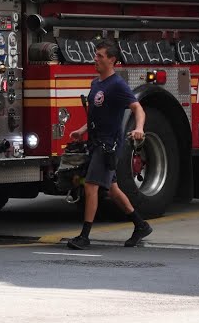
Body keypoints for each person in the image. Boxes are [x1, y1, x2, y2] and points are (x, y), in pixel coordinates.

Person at [65, 39, 153, 250]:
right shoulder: (96, 84)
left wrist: (139, 128)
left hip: (108, 145)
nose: (95, 59)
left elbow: (138, 108)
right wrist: (82, 130)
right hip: (95, 142)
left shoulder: (117, 85)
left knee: (90, 186)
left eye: (100, 56)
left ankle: (84, 236)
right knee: (112, 189)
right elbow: (97, 114)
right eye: (95, 55)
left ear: (112, 60)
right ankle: (140, 225)